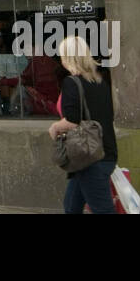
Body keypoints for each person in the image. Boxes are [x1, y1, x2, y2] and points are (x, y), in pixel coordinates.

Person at [49, 35, 118, 214]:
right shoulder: (100, 82)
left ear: (68, 58)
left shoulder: (71, 83)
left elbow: (72, 119)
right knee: (71, 206)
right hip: (104, 151)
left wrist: (55, 128)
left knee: (102, 209)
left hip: (89, 157)